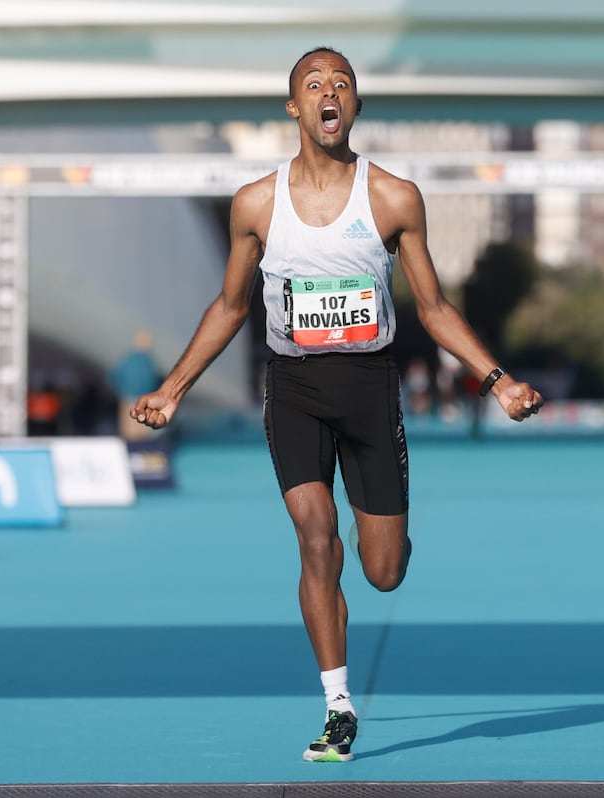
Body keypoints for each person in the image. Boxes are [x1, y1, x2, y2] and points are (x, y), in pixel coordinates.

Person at [129, 46, 543, 763]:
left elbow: (436, 307)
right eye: (313, 85)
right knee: (315, 533)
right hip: (293, 388)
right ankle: (339, 705)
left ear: (354, 105)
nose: (329, 93)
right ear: (294, 107)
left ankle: (389, 528)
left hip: (369, 386)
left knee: (383, 570)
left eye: (341, 84)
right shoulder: (257, 203)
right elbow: (230, 306)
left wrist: (497, 379)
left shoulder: (392, 197)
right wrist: (172, 389)